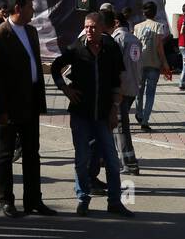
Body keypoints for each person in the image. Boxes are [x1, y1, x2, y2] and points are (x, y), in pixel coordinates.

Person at [51, 11, 133, 217]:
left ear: (103, 28)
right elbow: (55, 67)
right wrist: (65, 89)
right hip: (81, 114)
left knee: (112, 162)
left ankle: (114, 202)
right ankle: (82, 199)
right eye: (86, 27)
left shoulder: (111, 49)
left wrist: (115, 108)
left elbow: (118, 79)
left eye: (93, 27)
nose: (89, 30)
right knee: (82, 159)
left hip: (104, 115)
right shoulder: (77, 48)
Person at [0, 0, 55, 217]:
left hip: (30, 101)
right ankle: (7, 201)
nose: (33, 11)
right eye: (29, 7)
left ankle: (33, 200)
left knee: (32, 153)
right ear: (18, 8)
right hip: (9, 106)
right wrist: (0, 109)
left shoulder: (31, 32)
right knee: (5, 155)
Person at [110, 9, 142, 175]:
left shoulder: (118, 39)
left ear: (115, 23)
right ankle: (111, 158)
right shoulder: (135, 39)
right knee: (117, 126)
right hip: (132, 87)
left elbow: (117, 68)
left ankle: (130, 163)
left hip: (121, 89)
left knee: (120, 127)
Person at [132, 1, 172, 131]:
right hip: (154, 63)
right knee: (150, 93)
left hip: (139, 63)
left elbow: (134, 46)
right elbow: (160, 47)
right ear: (155, 12)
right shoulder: (159, 26)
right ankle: (145, 120)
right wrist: (165, 63)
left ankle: (138, 113)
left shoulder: (137, 27)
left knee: (139, 90)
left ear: (144, 13)